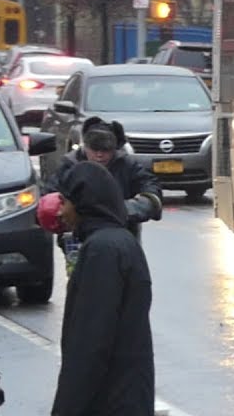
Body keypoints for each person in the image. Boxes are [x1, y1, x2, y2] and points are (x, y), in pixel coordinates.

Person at [51, 162, 155, 416]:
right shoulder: (121, 242)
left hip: (109, 401)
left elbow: (90, 344)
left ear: (84, 203)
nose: (59, 212)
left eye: (64, 202)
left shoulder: (102, 251)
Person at [44, 117, 162, 240]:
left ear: (114, 149)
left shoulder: (127, 165)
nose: (99, 155)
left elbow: (150, 188)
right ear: (85, 146)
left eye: (105, 150)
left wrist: (130, 208)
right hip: (78, 237)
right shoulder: (69, 166)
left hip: (120, 233)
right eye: (94, 149)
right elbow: (49, 196)